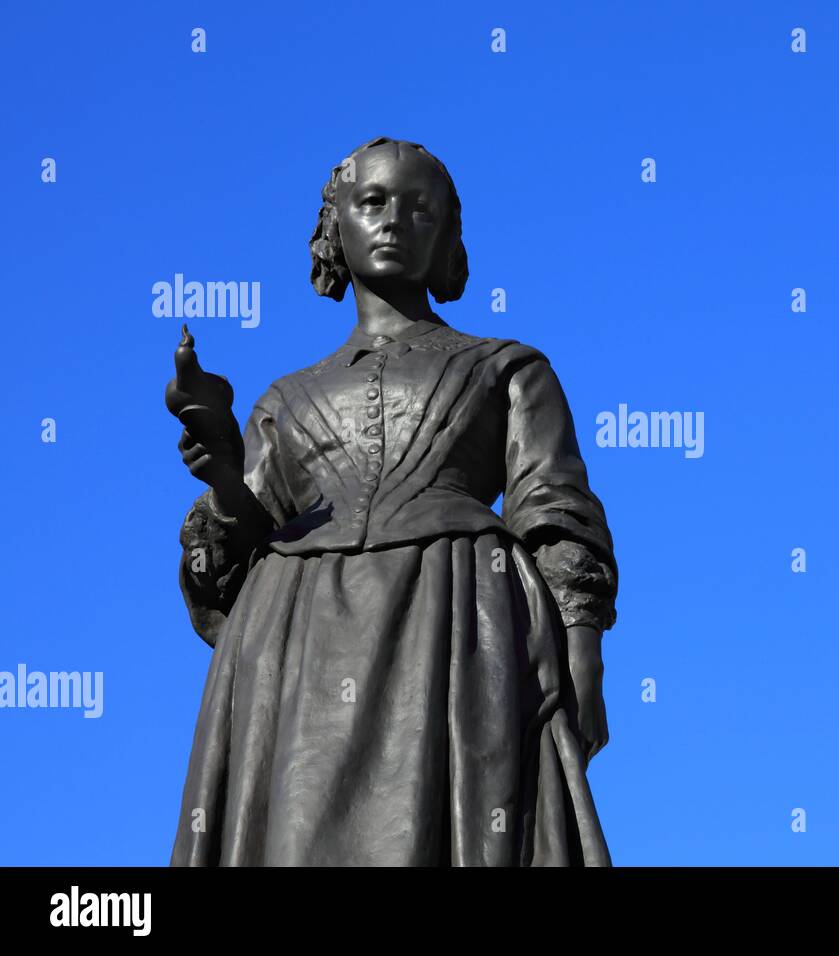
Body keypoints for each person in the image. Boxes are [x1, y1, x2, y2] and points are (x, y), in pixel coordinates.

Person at [165, 137, 618, 866]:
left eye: (420, 209)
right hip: (298, 638)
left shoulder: (508, 368)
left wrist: (581, 645)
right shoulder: (285, 398)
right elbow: (230, 565)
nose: (393, 220)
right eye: (371, 202)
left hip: (460, 624)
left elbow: (553, 507)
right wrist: (222, 474)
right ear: (334, 224)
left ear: (445, 235)